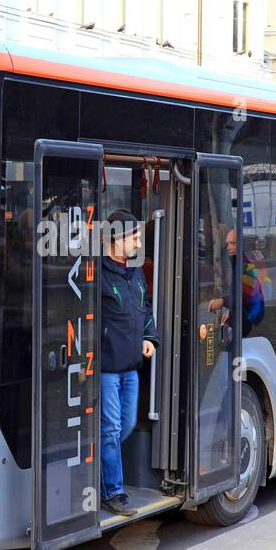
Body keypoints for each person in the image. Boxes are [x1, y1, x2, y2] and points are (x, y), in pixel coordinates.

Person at [98, 210, 159, 516]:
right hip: (106, 368)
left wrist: (150, 337)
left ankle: (96, 469)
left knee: (126, 426)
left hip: (131, 367)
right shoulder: (96, 272)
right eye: (133, 236)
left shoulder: (134, 271)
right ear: (115, 239)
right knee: (110, 429)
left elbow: (144, 308)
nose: (138, 241)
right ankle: (113, 490)